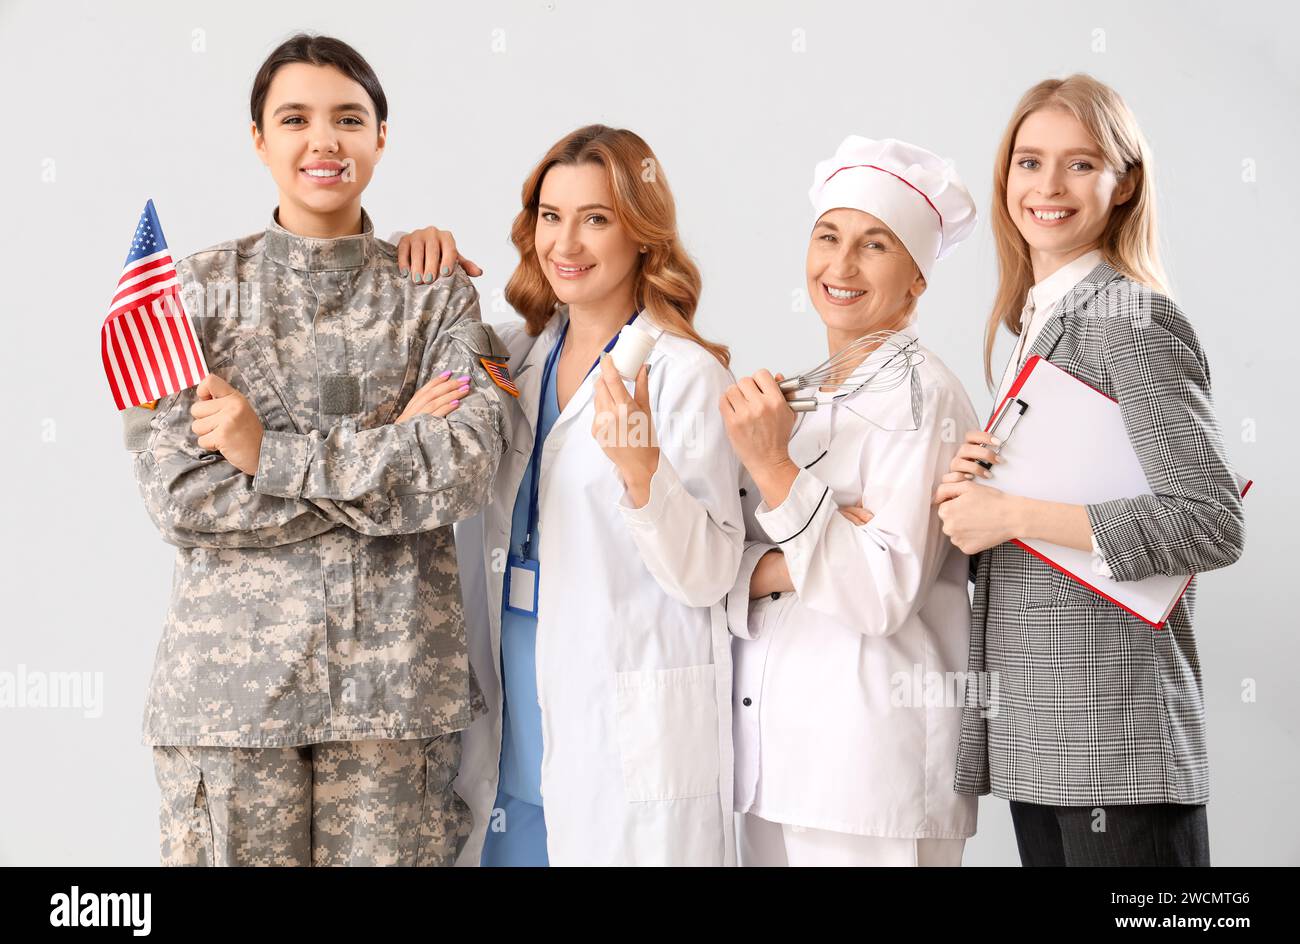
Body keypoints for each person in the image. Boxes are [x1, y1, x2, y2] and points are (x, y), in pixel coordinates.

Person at [121, 33, 508, 866]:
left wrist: (268, 454)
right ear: (258, 138)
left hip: (393, 702)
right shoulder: (195, 293)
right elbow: (180, 498)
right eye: (294, 118)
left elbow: (463, 468)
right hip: (233, 706)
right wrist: (392, 445)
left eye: (349, 118)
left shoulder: (435, 289)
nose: (323, 140)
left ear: (380, 137)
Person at [402, 125, 744, 865]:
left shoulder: (684, 377)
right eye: (551, 217)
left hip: (621, 714)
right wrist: (412, 249)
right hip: (513, 692)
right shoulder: (513, 357)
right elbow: (409, 344)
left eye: (596, 218)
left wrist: (643, 474)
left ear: (643, 235)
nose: (567, 242)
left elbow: (713, 571)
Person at [935, 74, 1246, 866]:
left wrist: (1011, 515)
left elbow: (1210, 521)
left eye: (1079, 165)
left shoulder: (1131, 319)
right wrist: (978, 493)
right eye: (1029, 162)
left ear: (1124, 182)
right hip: (1045, 739)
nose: (1048, 187)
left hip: (1117, 745)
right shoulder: (1038, 322)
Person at [718, 136, 980, 866]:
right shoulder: (804, 392)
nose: (840, 266)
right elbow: (726, 576)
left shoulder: (924, 398)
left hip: (870, 770)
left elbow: (876, 596)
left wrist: (773, 468)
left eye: (874, 245)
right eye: (828, 237)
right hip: (775, 762)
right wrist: (805, 550)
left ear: (917, 279)